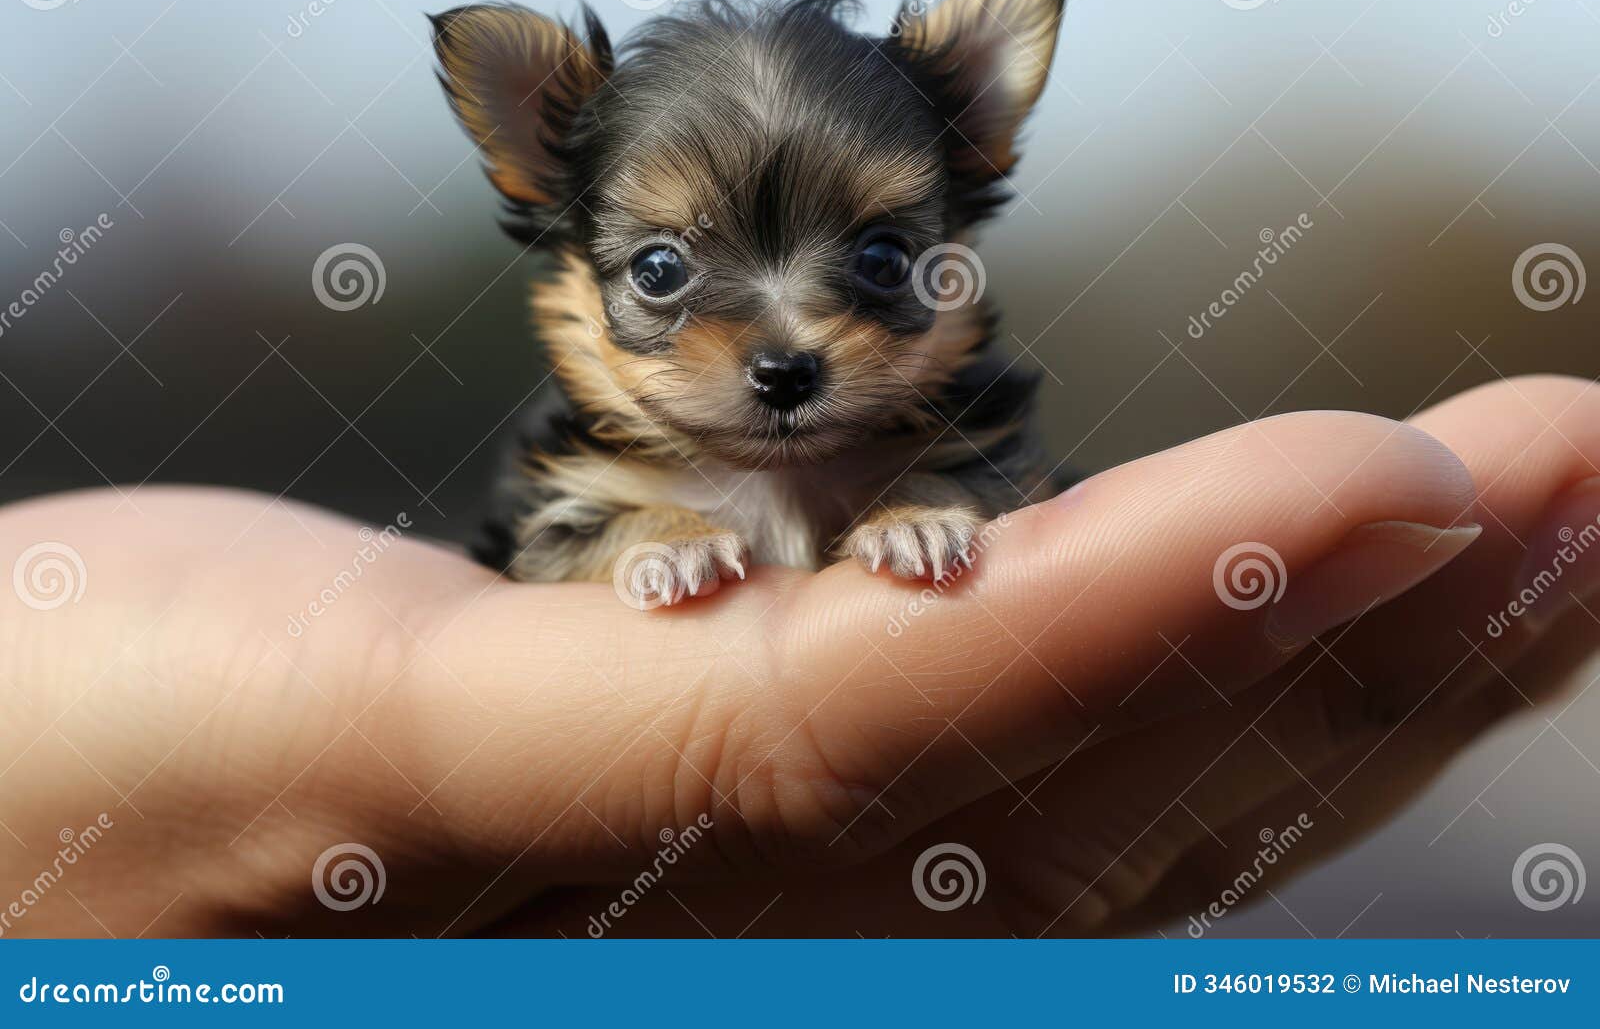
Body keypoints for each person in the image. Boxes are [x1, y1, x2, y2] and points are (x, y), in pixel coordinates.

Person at [1, 376, 1595, 938]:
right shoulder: (597, 472)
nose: (781, 338)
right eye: (664, 276)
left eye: (878, 261)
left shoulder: (942, 446)